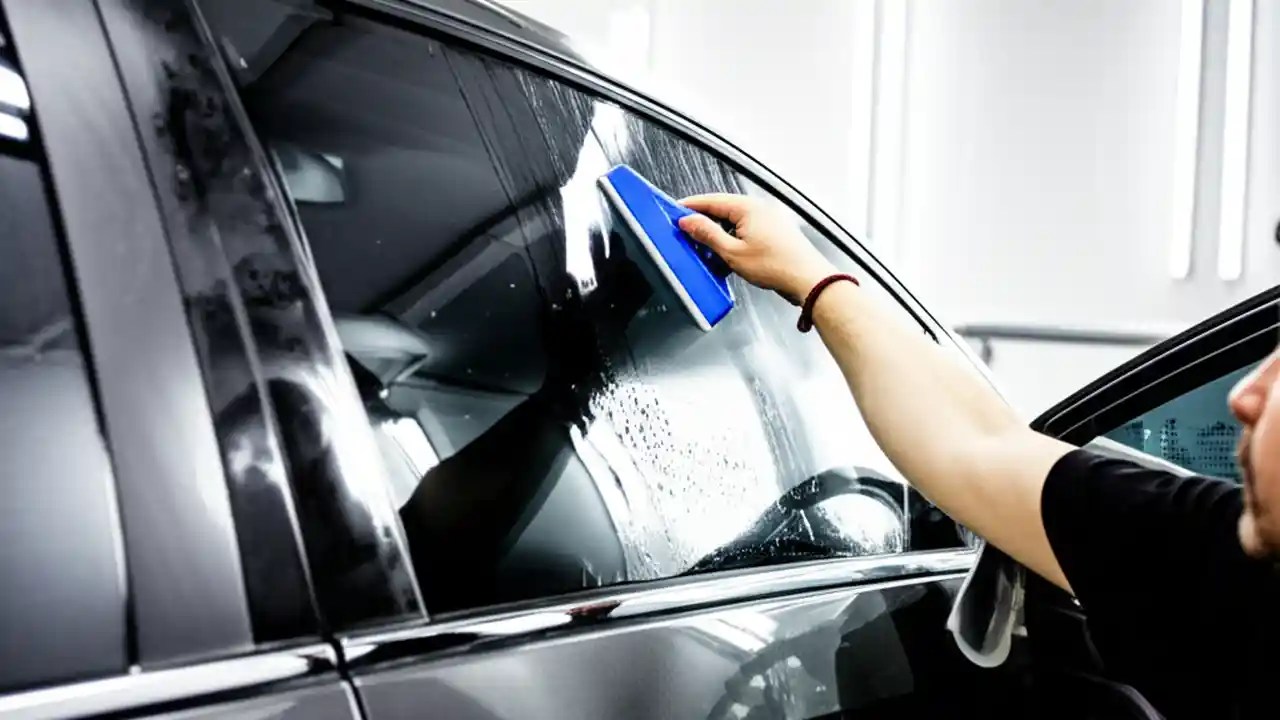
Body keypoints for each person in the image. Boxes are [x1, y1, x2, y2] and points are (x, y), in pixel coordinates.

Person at [676, 194, 1279, 719]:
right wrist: (813, 279)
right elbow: (982, 446)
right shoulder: (1229, 564)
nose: (1246, 394)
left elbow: (979, 447)